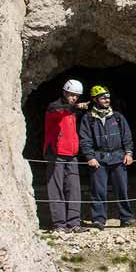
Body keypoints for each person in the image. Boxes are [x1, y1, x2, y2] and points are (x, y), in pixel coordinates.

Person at [79, 85, 136, 229]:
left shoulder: (117, 117)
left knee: (121, 189)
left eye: (108, 97)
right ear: (95, 99)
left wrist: (129, 153)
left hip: (118, 157)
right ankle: (98, 219)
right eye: (103, 97)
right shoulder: (88, 119)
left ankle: (126, 218)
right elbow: (85, 139)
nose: (106, 99)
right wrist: (90, 157)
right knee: (98, 191)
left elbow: (127, 136)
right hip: (98, 158)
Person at [43, 79, 88, 232]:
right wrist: (75, 107)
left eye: (77, 96)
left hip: (72, 154)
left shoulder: (72, 111)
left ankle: (74, 223)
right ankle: (60, 224)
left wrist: (75, 108)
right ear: (65, 92)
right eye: (72, 94)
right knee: (56, 189)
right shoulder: (54, 107)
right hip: (56, 153)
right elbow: (58, 110)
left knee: (74, 189)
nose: (74, 97)